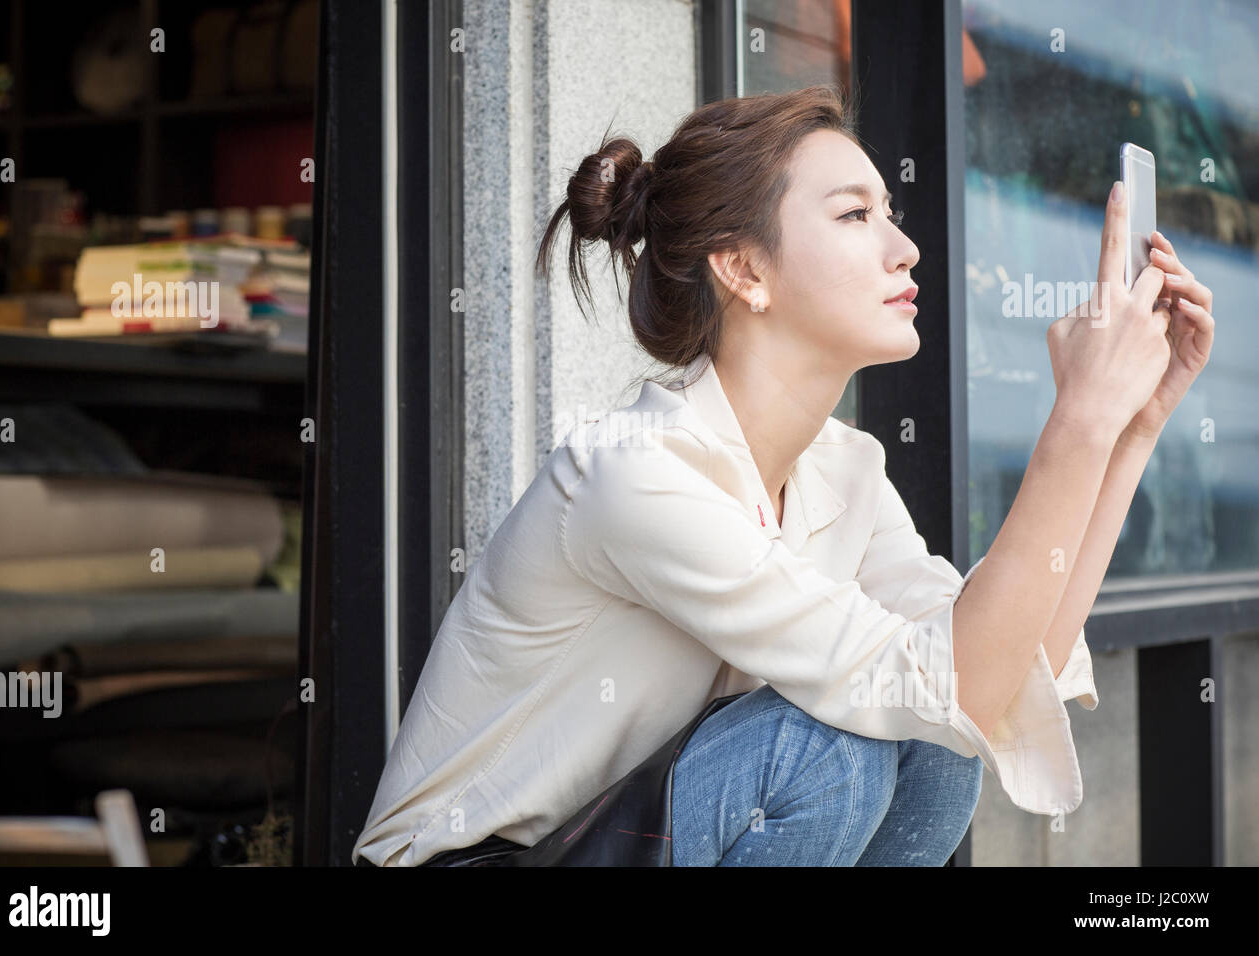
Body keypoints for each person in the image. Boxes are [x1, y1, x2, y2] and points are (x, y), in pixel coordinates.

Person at [353, 83, 1215, 867]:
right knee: (831, 746)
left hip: (624, 839)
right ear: (744, 269)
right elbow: (944, 680)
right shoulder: (635, 476)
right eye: (853, 216)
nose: (905, 247)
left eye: (891, 212)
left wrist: (1127, 430)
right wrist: (1078, 418)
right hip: (479, 861)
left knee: (938, 739)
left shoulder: (845, 470)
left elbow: (992, 675)